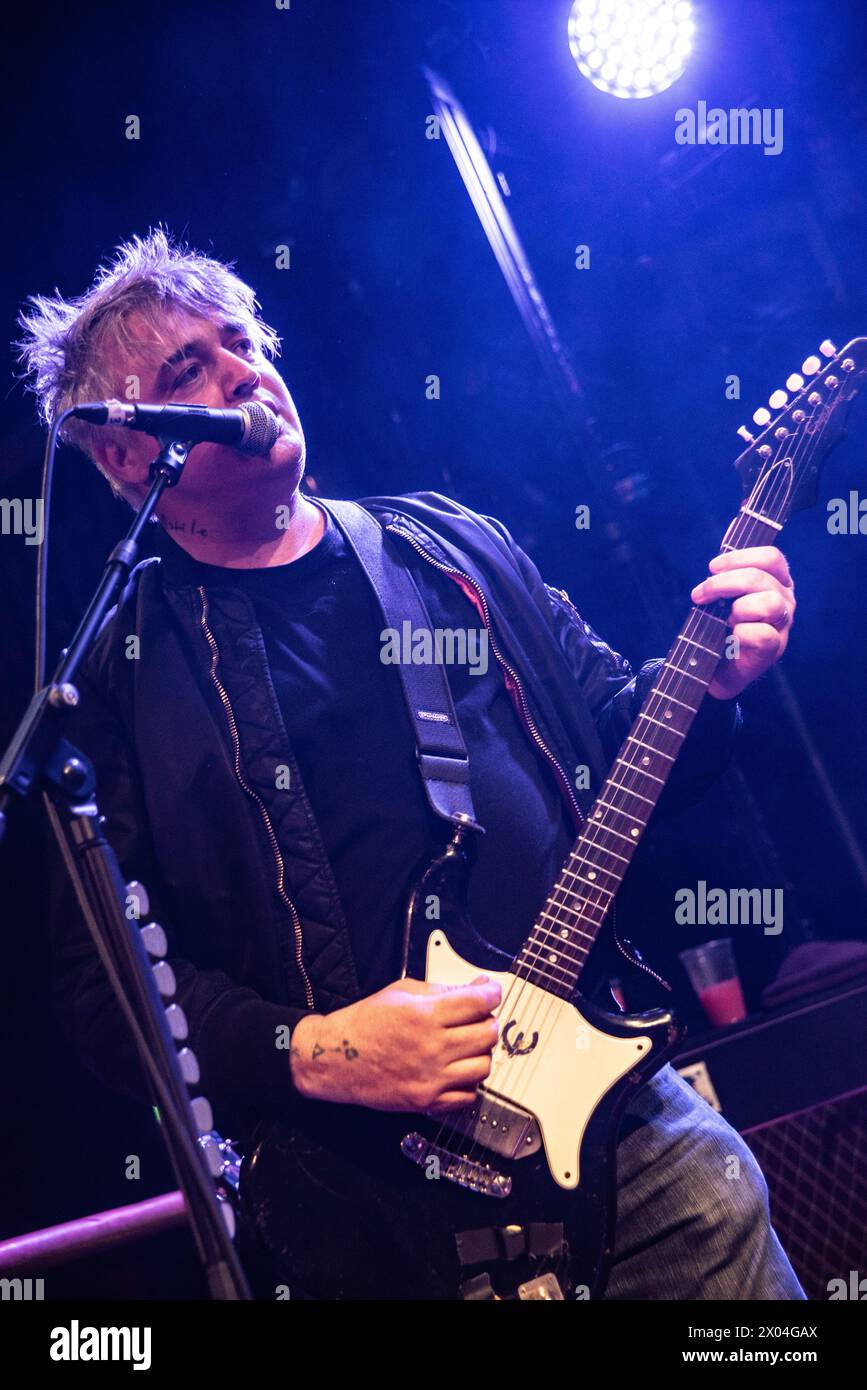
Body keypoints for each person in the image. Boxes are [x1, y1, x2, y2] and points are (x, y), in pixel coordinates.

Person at [18, 229, 805, 1299]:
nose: (245, 371)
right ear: (123, 451)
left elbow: (625, 743)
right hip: (368, 1220)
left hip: (626, 1135)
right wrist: (319, 1046)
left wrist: (710, 687)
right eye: (188, 369)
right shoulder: (118, 675)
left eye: (244, 342)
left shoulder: (453, 547)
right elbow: (104, 991)